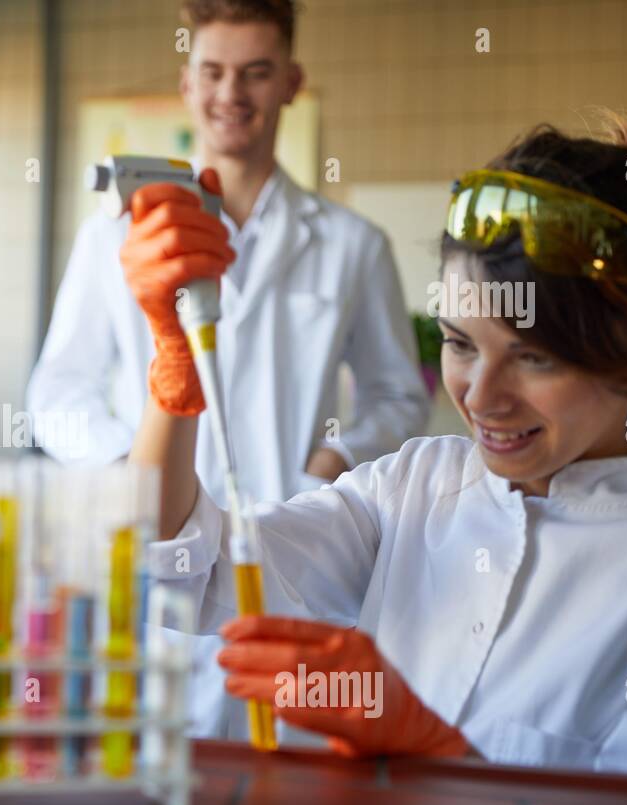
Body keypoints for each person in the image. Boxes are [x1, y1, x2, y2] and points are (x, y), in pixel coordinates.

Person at [128, 116, 627, 776]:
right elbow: (191, 571)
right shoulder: (419, 483)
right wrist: (175, 376)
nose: (481, 397)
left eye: (533, 358)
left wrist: (422, 742)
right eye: (460, 343)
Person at [27, 0, 427, 504]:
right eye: (212, 73)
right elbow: (57, 392)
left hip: (296, 533)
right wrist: (131, 467)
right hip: (159, 531)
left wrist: (336, 462)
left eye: (256, 74)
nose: (231, 94)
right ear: (187, 83)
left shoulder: (355, 244)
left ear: (291, 83)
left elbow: (397, 397)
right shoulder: (112, 234)